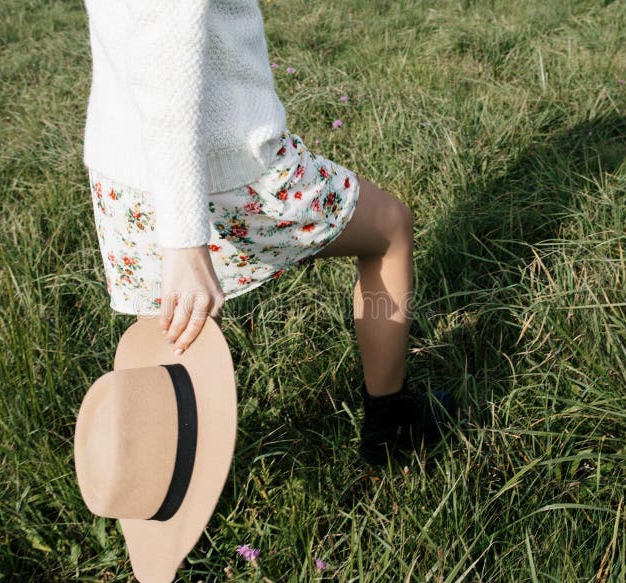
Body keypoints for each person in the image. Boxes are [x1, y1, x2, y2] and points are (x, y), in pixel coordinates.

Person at [81, 0, 456, 466]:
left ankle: (165, 499)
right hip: (230, 171)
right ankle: (392, 424)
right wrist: (185, 245)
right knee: (390, 229)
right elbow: (169, 78)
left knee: (174, 341)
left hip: (124, 179)